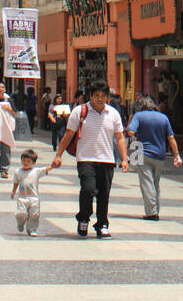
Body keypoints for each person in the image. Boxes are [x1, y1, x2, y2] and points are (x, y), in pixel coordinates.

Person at [50, 80, 128, 238]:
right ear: (90, 96)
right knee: (88, 189)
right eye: (96, 96)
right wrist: (58, 155)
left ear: (107, 98)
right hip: (85, 158)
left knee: (104, 194)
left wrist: (124, 159)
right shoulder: (79, 111)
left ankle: (102, 224)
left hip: (107, 159)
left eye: (103, 96)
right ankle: (84, 218)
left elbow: (119, 138)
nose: (99, 99)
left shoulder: (113, 113)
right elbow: (69, 134)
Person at [126, 96, 182, 220]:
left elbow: (130, 131)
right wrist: (176, 155)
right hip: (160, 155)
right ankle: (156, 210)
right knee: (155, 183)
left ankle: (152, 212)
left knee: (146, 183)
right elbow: (171, 137)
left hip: (142, 153)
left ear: (142, 105)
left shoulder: (139, 116)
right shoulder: (163, 117)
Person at [11, 148, 53, 236]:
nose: (25, 162)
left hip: (34, 198)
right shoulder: (18, 172)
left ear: (33, 162)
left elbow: (46, 169)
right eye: (23, 160)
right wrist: (13, 192)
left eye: (28, 161)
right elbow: (16, 182)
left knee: (34, 214)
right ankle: (20, 223)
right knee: (21, 213)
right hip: (22, 198)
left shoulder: (36, 171)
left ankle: (32, 229)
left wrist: (54, 165)